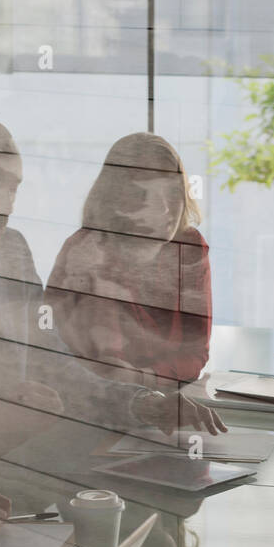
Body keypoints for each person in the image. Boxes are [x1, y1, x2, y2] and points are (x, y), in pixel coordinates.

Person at [45, 132, 222, 439]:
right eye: (143, 197)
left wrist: (149, 385)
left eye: (172, 195)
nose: (166, 211)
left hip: (168, 411)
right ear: (114, 202)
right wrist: (157, 386)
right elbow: (102, 371)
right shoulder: (87, 254)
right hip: (94, 417)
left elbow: (195, 355)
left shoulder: (189, 247)